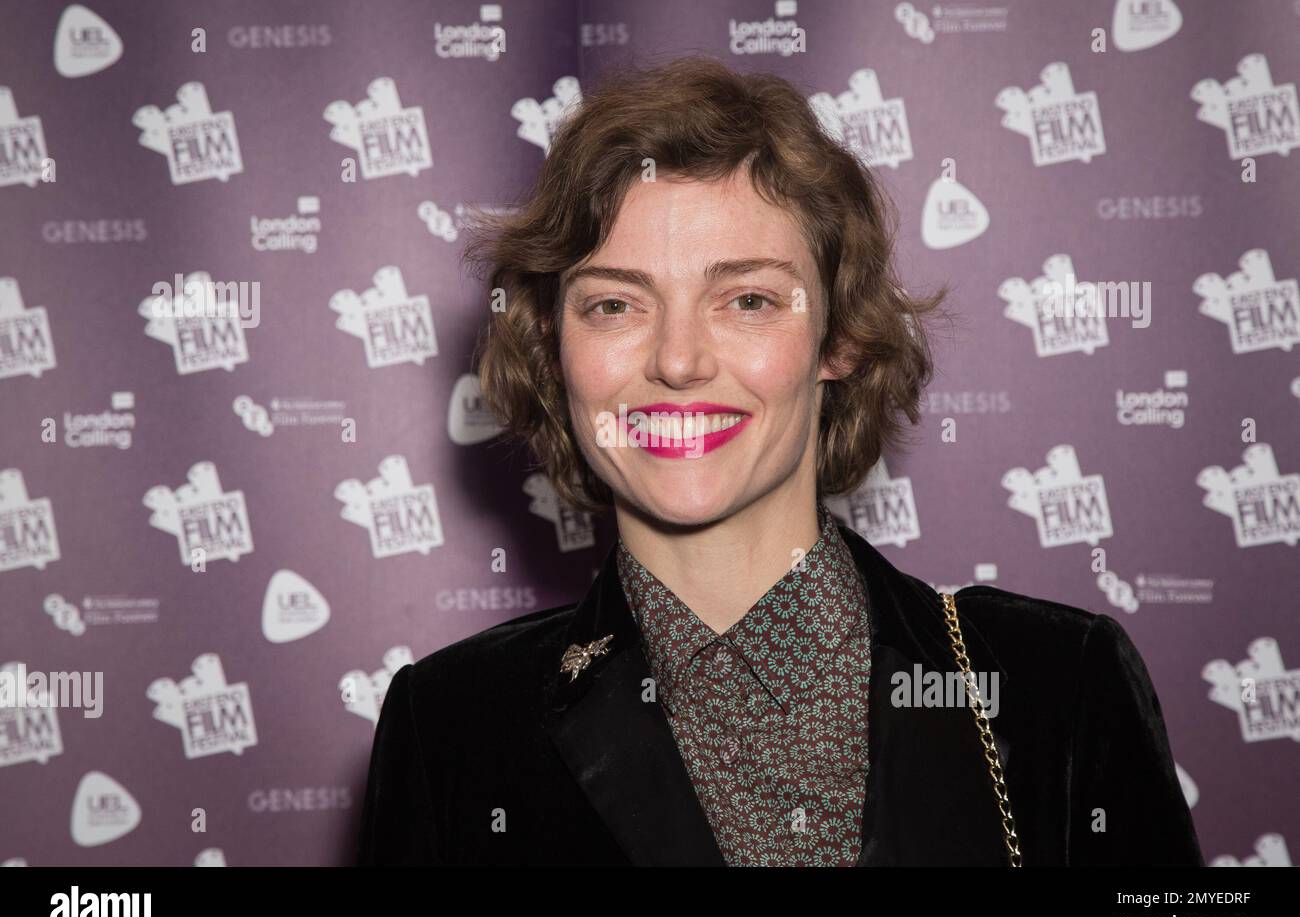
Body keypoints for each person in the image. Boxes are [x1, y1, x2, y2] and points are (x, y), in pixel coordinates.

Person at [356, 55, 1203, 866]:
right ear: (555, 346)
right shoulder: (452, 730)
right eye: (615, 304)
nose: (679, 361)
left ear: (837, 338)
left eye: (749, 300)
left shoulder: (1060, 686)